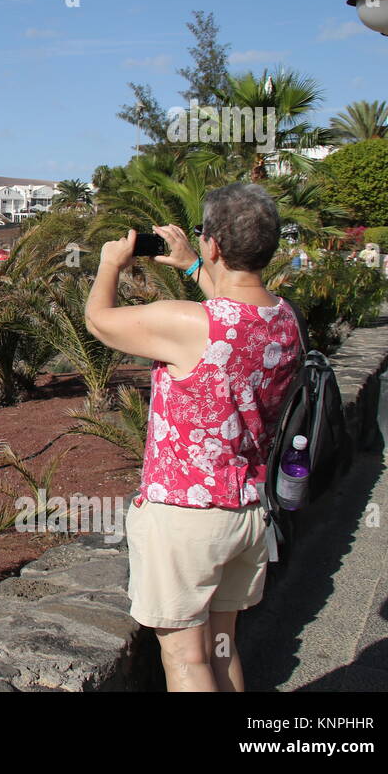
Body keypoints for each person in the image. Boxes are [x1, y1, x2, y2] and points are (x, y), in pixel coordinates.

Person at [84, 183, 301, 692]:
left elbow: (99, 321)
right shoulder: (282, 319)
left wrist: (110, 263)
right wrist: (189, 265)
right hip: (246, 510)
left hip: (186, 517)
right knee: (222, 648)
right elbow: (231, 307)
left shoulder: (188, 323)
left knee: (186, 660)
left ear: (215, 245)